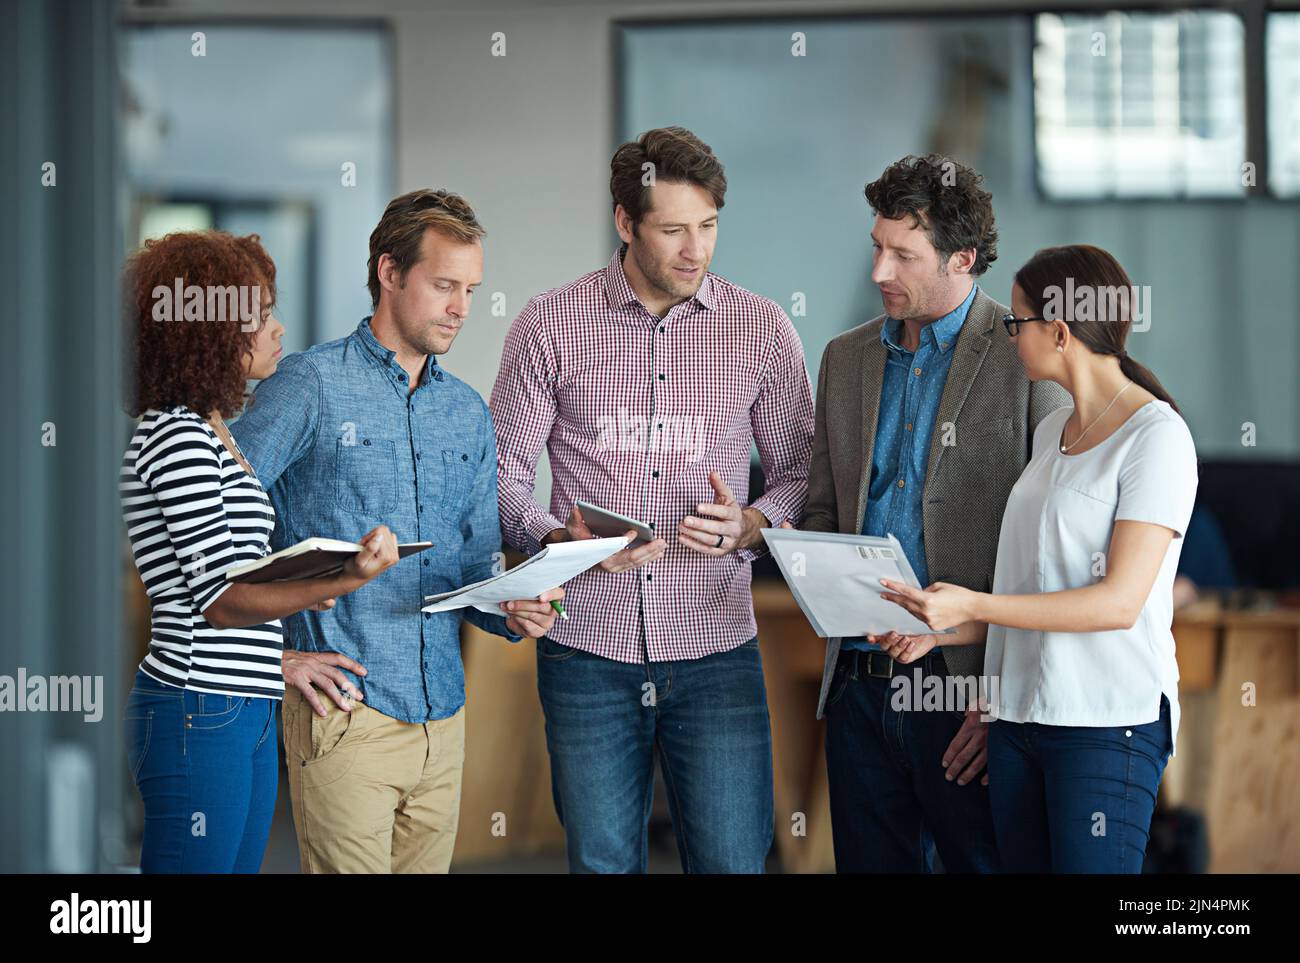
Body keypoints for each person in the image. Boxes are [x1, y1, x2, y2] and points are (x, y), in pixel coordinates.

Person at [490, 127, 814, 873]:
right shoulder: (549, 323)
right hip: (586, 651)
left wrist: (752, 524)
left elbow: (802, 475)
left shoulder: (762, 329)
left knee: (733, 860)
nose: (695, 250)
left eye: (707, 227)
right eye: (672, 230)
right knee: (602, 862)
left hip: (717, 650)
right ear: (625, 223)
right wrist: (554, 537)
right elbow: (503, 472)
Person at [230, 189, 562, 874]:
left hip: (443, 715)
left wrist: (513, 606)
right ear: (389, 272)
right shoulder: (309, 384)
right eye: (444, 285)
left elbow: (472, 563)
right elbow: (215, 517)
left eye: (471, 289)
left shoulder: (468, 412)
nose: (461, 308)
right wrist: (277, 660)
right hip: (346, 711)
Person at [879, 244, 1197, 873]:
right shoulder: (1053, 434)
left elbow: (1117, 602)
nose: (1009, 337)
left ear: (1058, 330)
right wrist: (948, 628)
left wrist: (971, 603)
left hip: (1106, 724)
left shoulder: (1155, 438)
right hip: (1019, 718)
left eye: (1016, 323)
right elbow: (1035, 592)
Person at [798, 154, 1068, 873]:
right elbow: (824, 509)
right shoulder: (844, 358)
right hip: (857, 687)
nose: (880, 271)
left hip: (970, 691)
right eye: (876, 248)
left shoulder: (1028, 357)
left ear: (963, 259)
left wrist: (1001, 692)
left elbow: (1052, 546)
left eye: (903, 255)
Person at [120, 230, 397, 873]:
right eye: (261, 315)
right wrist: (348, 577)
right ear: (208, 331)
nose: (279, 329)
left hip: (239, 702)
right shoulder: (176, 437)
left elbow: (232, 574)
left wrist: (282, 656)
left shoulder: (208, 431)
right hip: (199, 707)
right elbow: (221, 601)